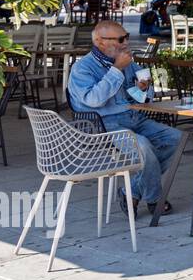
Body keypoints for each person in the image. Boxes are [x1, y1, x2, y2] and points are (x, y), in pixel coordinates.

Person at [67, 21, 181, 216]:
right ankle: (154, 198)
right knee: (143, 147)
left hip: (135, 118)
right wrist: (116, 70)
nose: (126, 43)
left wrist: (144, 88)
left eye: (126, 36)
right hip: (104, 125)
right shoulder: (83, 68)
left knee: (178, 139)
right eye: (121, 39)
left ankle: (132, 191)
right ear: (100, 42)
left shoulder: (127, 62)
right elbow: (94, 100)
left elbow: (143, 96)